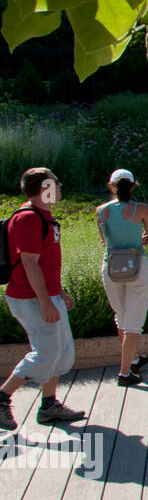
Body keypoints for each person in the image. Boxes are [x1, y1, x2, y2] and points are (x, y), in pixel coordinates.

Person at [0, 168, 84, 430]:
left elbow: (45, 263)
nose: (60, 186)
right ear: (46, 187)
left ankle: (49, 406)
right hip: (30, 299)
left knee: (61, 351)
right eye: (56, 182)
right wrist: (47, 301)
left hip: (46, 295)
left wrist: (59, 293)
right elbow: (30, 264)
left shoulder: (43, 217)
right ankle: (2, 398)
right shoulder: (28, 219)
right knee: (46, 352)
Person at [96, 169, 148, 387]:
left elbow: (106, 241)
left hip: (111, 266)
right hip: (136, 264)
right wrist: (138, 241)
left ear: (110, 186)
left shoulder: (101, 211)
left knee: (121, 317)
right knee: (133, 324)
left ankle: (132, 358)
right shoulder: (140, 209)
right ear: (133, 186)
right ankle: (124, 373)